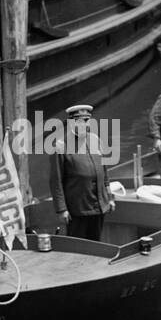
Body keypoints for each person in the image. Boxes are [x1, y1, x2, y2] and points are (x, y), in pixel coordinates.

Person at [48, 104, 114, 242]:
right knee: (78, 246)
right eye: (79, 120)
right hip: (78, 208)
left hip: (99, 206)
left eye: (87, 120)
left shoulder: (95, 139)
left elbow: (104, 172)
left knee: (97, 244)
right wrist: (61, 209)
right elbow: (56, 181)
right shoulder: (60, 146)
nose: (84, 124)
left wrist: (109, 197)